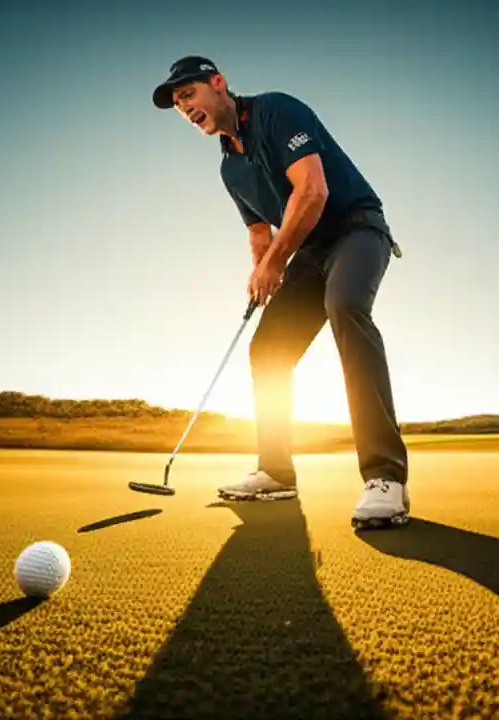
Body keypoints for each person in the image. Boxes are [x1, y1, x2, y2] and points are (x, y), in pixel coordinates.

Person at [152, 56, 409, 529]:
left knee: (346, 305)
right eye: (177, 105)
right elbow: (259, 234)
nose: (184, 109)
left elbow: (312, 191)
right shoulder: (230, 167)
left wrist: (274, 264)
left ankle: (385, 477)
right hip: (309, 256)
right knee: (267, 349)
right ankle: (275, 471)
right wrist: (262, 274)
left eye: (188, 95)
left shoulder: (277, 111)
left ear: (218, 84)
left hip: (357, 230)